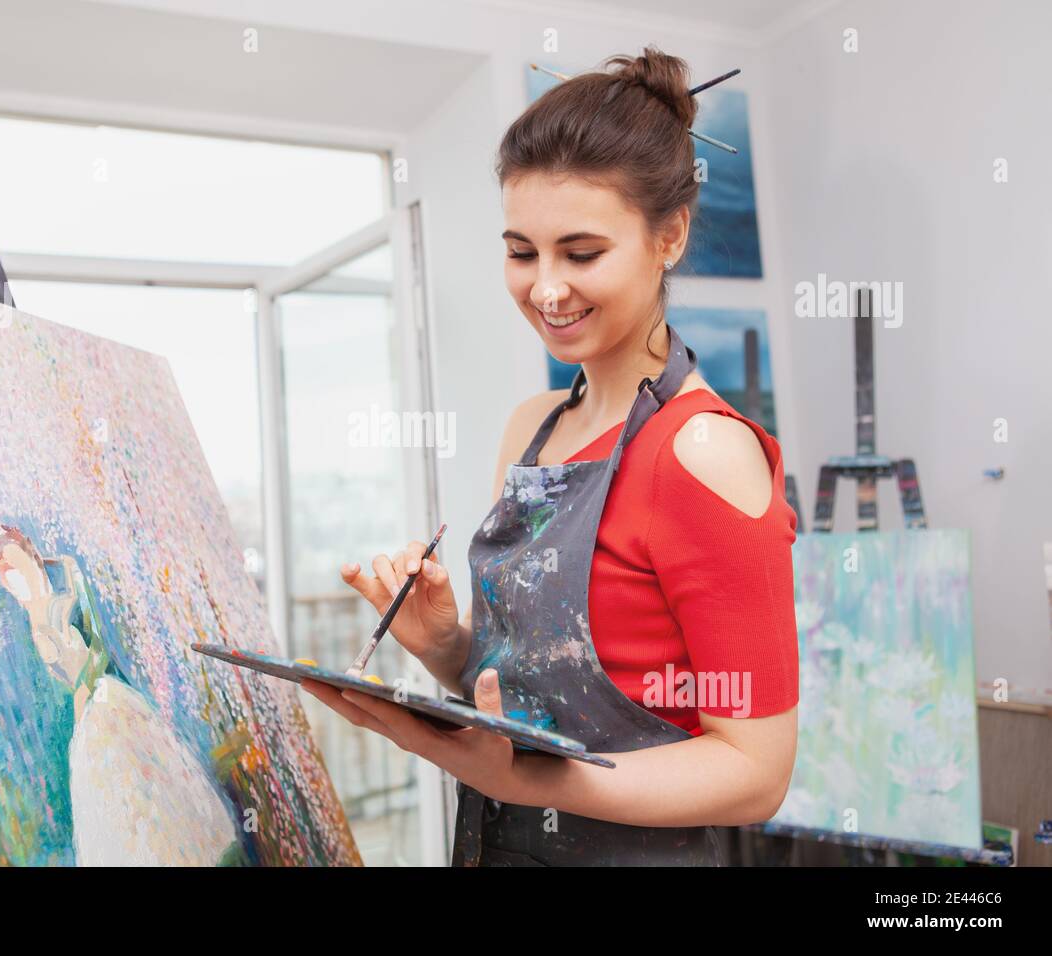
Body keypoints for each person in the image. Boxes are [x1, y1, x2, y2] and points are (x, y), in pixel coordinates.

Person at [302, 47, 800, 866]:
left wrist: (528, 784)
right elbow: (536, 698)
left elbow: (756, 770)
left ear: (669, 236)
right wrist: (444, 646)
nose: (546, 289)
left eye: (581, 252)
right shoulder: (530, 429)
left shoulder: (704, 453)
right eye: (522, 252)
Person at [0, 524, 244, 865]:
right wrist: (88, 708)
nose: (19, 573)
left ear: (32, 557)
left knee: (157, 786)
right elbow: (79, 674)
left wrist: (52, 562)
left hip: (109, 696)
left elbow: (86, 612)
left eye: (21, 561)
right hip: (95, 706)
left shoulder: (59, 597)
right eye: (11, 571)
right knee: (127, 803)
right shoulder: (40, 622)